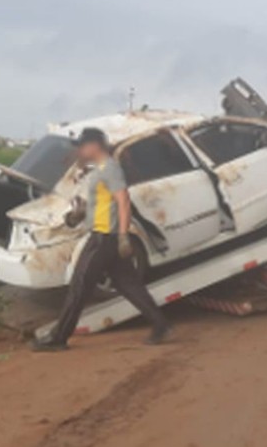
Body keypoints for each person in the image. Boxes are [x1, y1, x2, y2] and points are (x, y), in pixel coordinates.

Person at [31, 127, 172, 351]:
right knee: (129, 285)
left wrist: (124, 236)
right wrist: (79, 215)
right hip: (105, 235)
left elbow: (123, 201)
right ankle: (160, 324)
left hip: (105, 238)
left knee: (79, 285)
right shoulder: (100, 169)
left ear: (95, 145)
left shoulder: (111, 169)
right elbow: (102, 203)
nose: (81, 150)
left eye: (83, 145)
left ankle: (59, 337)